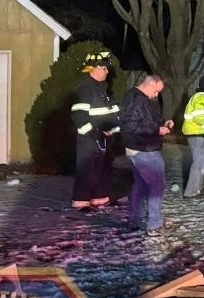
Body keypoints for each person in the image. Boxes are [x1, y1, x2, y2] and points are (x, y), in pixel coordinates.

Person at [119, 74, 173, 234]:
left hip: (137, 149)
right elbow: (130, 127)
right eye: (156, 91)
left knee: (141, 184)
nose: (156, 95)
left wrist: (163, 123)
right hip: (144, 150)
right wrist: (157, 130)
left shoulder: (137, 97)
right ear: (150, 84)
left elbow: (147, 120)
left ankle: (134, 220)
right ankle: (154, 224)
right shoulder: (137, 100)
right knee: (157, 185)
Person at [70, 50, 120, 209]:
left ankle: (100, 197)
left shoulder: (102, 89)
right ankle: (81, 201)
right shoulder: (86, 88)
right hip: (90, 139)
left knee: (104, 168)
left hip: (105, 137)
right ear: (94, 69)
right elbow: (78, 115)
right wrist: (95, 132)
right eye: (104, 68)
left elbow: (110, 110)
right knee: (87, 170)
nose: (107, 71)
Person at [181, 75, 204, 198]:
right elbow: (200, 117)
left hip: (194, 134)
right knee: (199, 163)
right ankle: (191, 192)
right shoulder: (202, 97)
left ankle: (196, 190)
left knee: (200, 162)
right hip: (198, 134)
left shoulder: (198, 96)